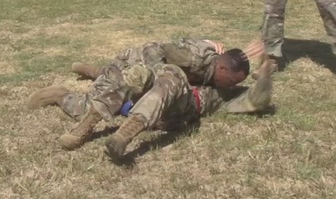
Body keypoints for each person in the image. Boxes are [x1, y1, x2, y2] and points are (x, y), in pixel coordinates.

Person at [27, 39, 274, 161]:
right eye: (231, 80)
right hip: (142, 83)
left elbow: (258, 99)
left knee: (165, 77)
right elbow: (156, 51)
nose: (234, 86)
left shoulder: (224, 94)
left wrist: (265, 73)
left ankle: (98, 75)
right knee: (145, 76)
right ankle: (64, 97)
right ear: (220, 69)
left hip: (168, 108)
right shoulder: (195, 57)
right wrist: (160, 70)